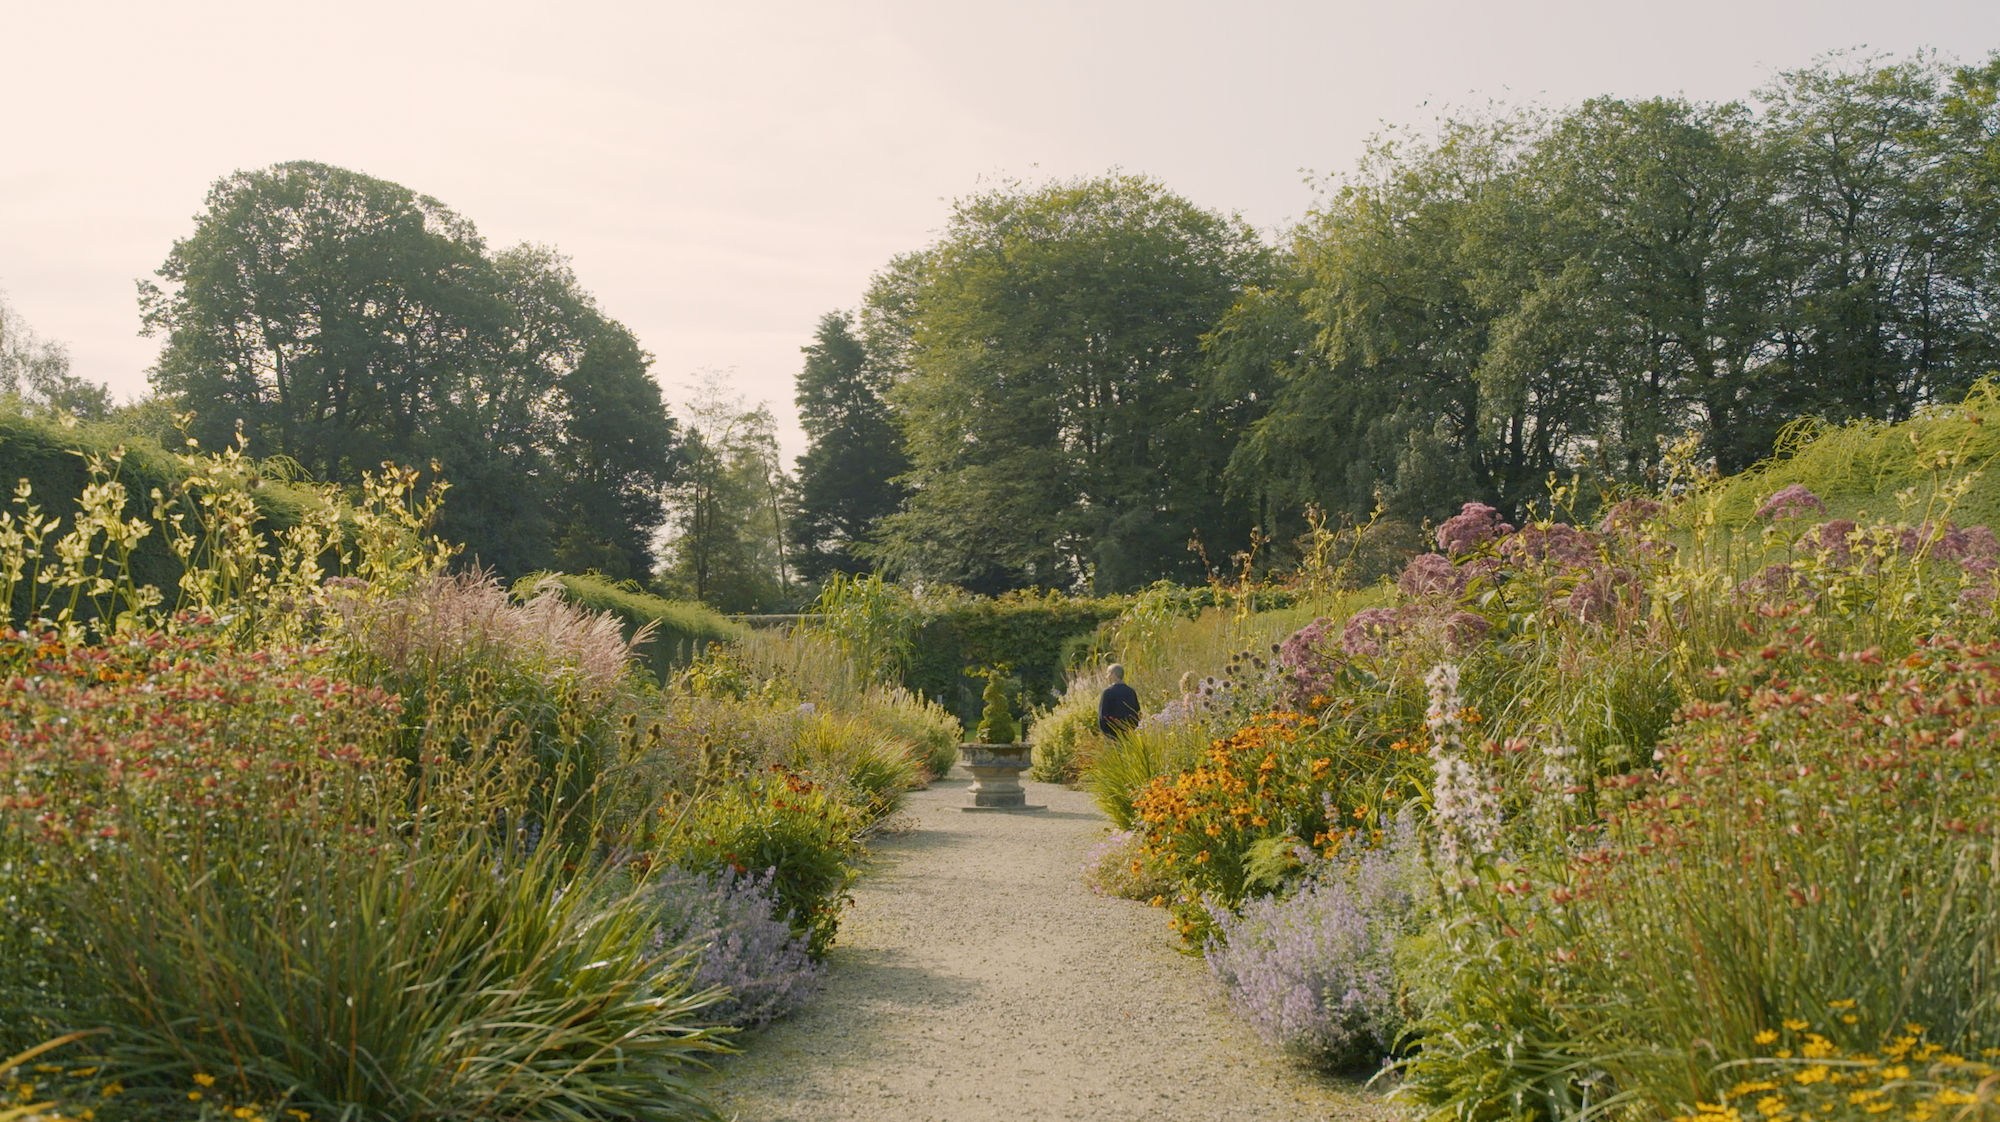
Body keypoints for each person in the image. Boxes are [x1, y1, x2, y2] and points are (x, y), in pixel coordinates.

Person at [1097, 663, 1141, 738]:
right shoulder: (1131, 691)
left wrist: (1106, 733)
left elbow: (1103, 716)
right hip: (1129, 734)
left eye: (1108, 674)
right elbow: (1137, 712)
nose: (1107, 677)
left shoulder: (1108, 692)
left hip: (1112, 735)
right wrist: (1132, 728)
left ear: (1113, 675)